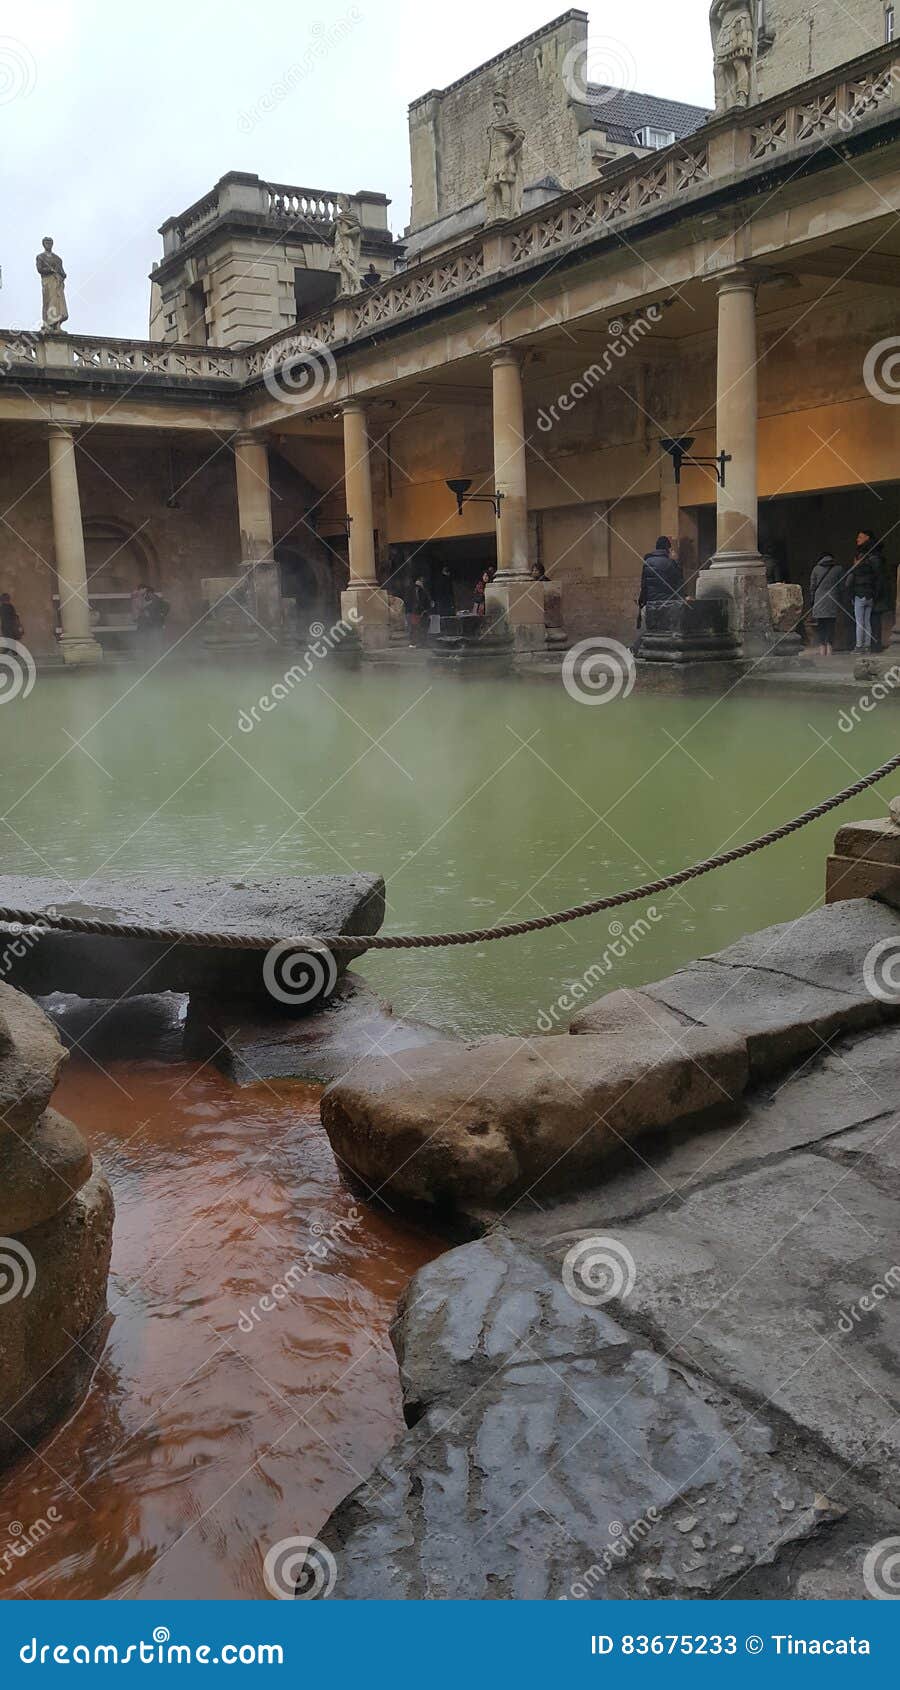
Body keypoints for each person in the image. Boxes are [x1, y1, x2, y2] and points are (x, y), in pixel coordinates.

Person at [855, 531, 892, 651]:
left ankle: (868, 645)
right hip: (871, 593)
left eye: (860, 537)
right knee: (868, 621)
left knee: (868, 621)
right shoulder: (873, 556)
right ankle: (870, 645)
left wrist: (875, 593)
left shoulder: (872, 557)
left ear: (867, 538)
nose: (857, 539)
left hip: (870, 593)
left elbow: (878, 578)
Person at [638, 536, 682, 623]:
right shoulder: (670, 563)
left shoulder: (648, 561)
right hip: (667, 604)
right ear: (668, 549)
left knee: (652, 629)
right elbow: (679, 582)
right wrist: (676, 561)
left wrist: (642, 602)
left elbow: (644, 585)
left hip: (651, 603)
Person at [808, 552, 844, 657]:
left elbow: (812, 587)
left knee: (821, 624)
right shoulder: (838, 569)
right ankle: (829, 647)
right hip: (832, 599)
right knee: (830, 624)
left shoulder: (816, 569)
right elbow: (841, 585)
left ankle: (822, 648)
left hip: (819, 599)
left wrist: (812, 600)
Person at [850, 540, 880, 653]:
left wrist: (851, 596)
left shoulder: (856, 570)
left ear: (857, 559)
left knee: (859, 623)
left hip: (859, 596)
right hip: (869, 597)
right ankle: (867, 646)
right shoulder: (871, 569)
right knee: (867, 622)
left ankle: (859, 646)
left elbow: (848, 583)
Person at [408, 576, 432, 645]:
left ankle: (422, 642)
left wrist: (425, 610)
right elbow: (410, 601)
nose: (417, 588)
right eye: (416, 586)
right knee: (415, 627)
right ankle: (415, 642)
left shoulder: (424, 592)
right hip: (415, 612)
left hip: (423, 612)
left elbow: (427, 602)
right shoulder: (412, 591)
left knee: (423, 627)